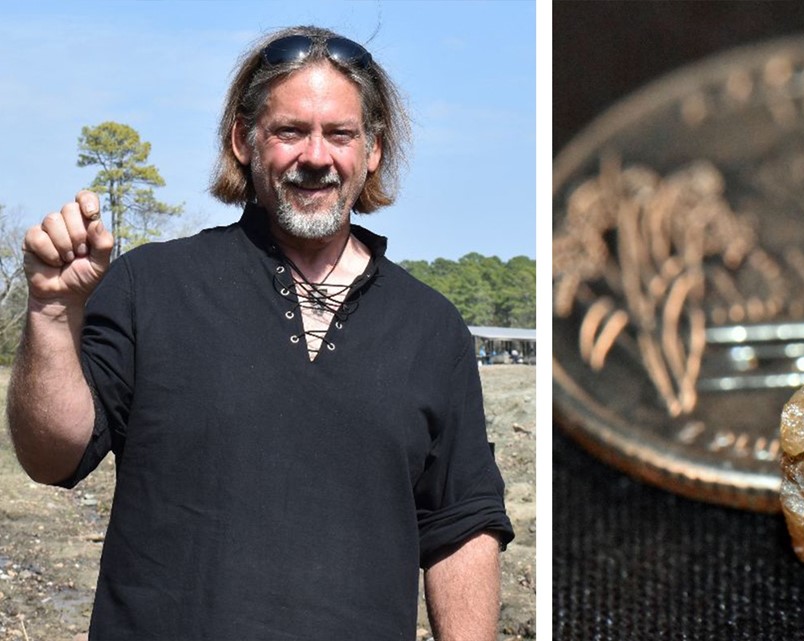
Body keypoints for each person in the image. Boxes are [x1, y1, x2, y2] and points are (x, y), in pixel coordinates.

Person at [7, 25, 513, 641]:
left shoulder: (433, 329)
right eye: (290, 131)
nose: (317, 156)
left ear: (373, 150)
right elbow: (50, 458)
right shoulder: (152, 285)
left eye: (341, 134)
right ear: (242, 141)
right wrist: (53, 316)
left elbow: (461, 527)